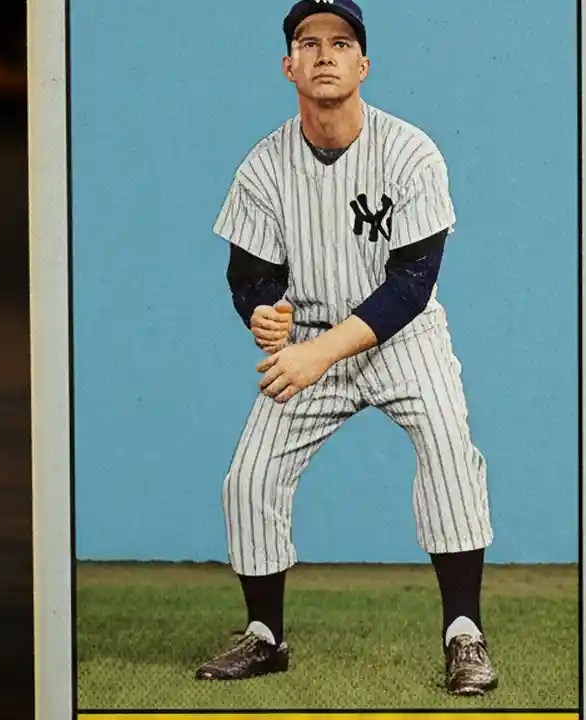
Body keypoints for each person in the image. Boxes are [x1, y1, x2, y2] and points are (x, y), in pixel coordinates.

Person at [196, 0, 497, 696]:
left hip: (401, 340)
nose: (324, 53)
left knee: (450, 448)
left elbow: (412, 286)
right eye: (308, 41)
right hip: (307, 339)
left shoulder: (410, 152)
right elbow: (252, 274)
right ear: (288, 65)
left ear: (363, 64)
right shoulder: (263, 166)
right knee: (248, 479)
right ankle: (265, 637)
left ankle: (464, 633)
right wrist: (261, 314)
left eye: (340, 42)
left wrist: (314, 352)